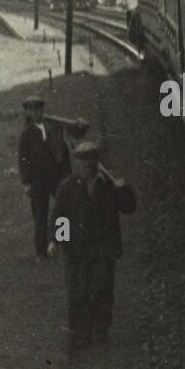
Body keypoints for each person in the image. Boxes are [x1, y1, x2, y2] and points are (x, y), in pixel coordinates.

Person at [52, 141, 137, 348]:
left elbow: (129, 207)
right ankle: (82, 334)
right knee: (78, 292)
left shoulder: (108, 186)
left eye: (89, 162)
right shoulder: (68, 186)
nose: (85, 167)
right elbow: (59, 216)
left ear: (96, 163)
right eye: (81, 162)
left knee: (102, 288)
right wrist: (59, 241)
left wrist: (122, 187)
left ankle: (100, 329)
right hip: (77, 249)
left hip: (102, 249)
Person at [17, 96, 67, 258]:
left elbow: (62, 151)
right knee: (40, 215)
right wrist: (26, 183)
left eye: (39, 109)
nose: (36, 113)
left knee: (62, 209)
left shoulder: (52, 127)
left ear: (42, 110)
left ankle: (62, 242)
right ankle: (41, 251)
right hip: (37, 180)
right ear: (28, 113)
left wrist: (66, 176)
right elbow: (23, 160)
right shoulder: (26, 134)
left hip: (56, 176)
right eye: (32, 110)